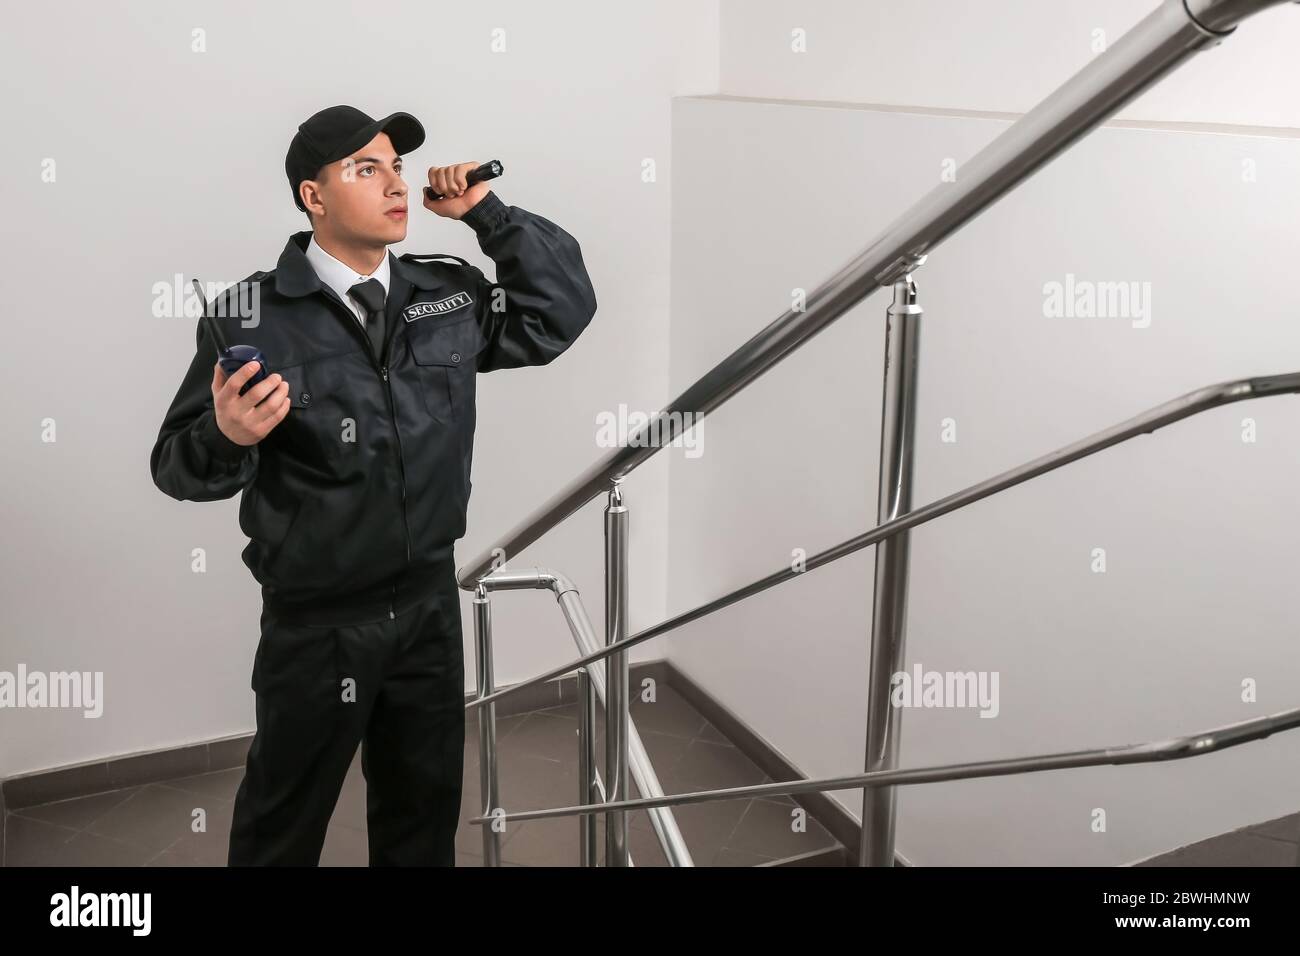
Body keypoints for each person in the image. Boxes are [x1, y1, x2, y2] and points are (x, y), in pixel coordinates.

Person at [149, 104, 597, 865]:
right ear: (312, 196)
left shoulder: (444, 294)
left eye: (395, 166)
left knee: (421, 819)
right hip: (318, 625)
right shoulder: (250, 313)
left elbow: (558, 314)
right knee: (281, 824)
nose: (395, 184)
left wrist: (488, 216)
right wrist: (225, 436)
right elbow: (176, 468)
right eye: (365, 169)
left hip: (428, 609)